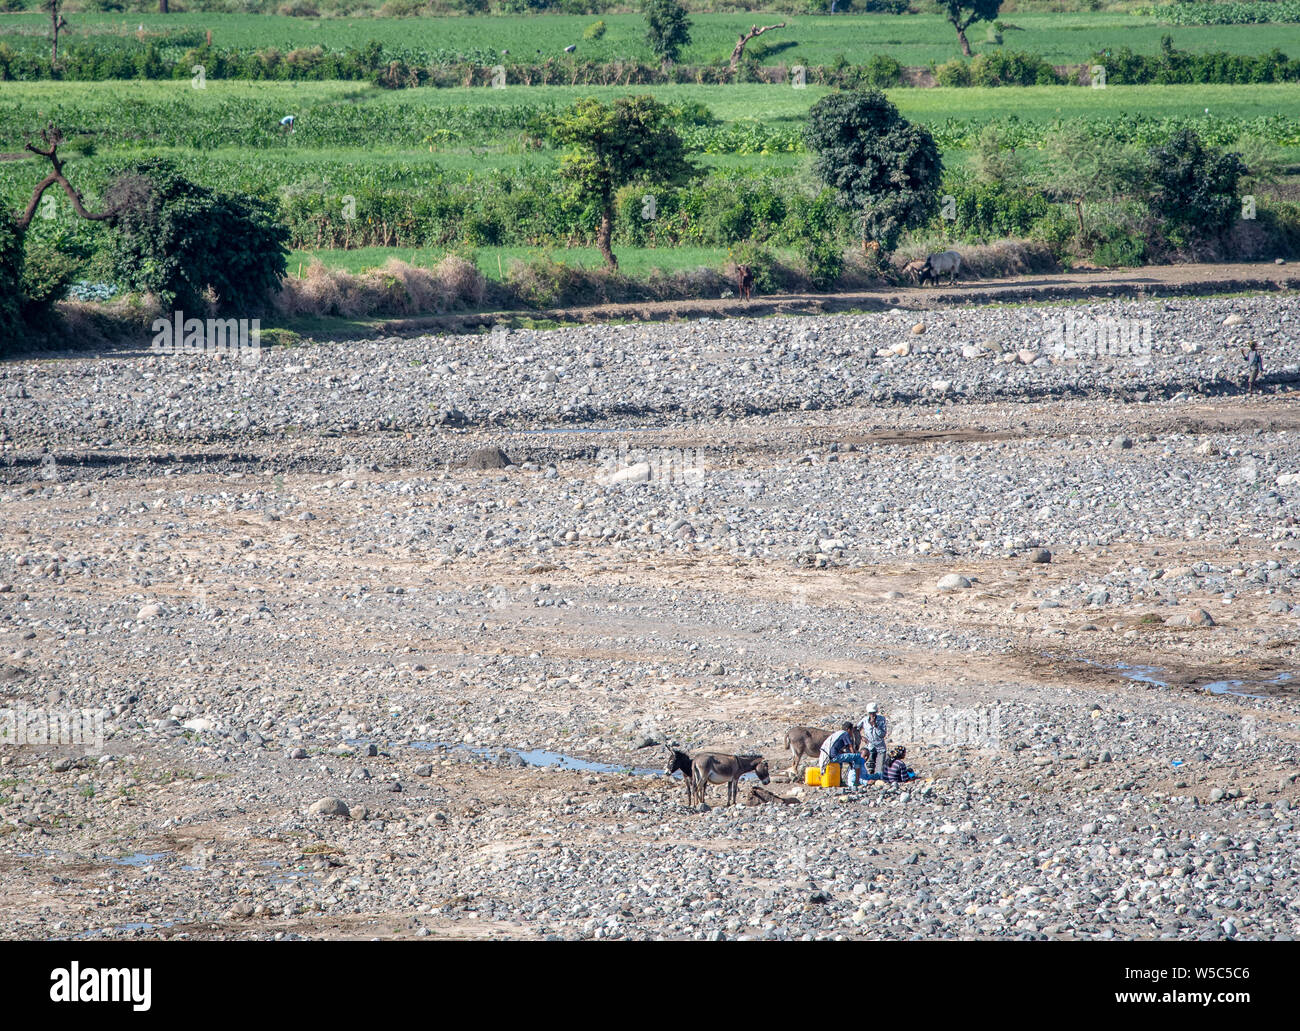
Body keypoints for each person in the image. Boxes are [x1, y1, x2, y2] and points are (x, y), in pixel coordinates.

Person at [819, 722, 867, 787]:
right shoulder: (845, 734)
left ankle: (839, 781)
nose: (851, 734)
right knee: (858, 757)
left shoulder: (837, 733)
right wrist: (853, 756)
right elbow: (850, 747)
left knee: (841, 761)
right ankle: (857, 781)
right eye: (851, 731)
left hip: (827, 757)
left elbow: (837, 749)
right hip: (833, 757)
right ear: (848, 729)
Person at [858, 702, 888, 777]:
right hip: (870, 746)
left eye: (873, 713)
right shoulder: (864, 720)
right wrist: (861, 737)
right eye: (870, 713)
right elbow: (856, 729)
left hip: (880, 747)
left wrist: (876, 726)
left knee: (880, 767)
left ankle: (879, 778)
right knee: (869, 766)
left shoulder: (881, 720)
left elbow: (883, 734)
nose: (872, 715)